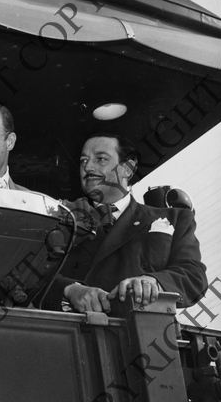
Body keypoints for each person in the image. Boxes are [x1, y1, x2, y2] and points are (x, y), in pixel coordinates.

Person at [37, 133, 208, 313]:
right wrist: (69, 289)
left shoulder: (176, 218)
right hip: (72, 330)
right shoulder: (58, 215)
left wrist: (154, 282)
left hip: (142, 333)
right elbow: (29, 275)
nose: (88, 167)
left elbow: (193, 275)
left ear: (127, 168)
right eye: (83, 161)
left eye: (101, 159)